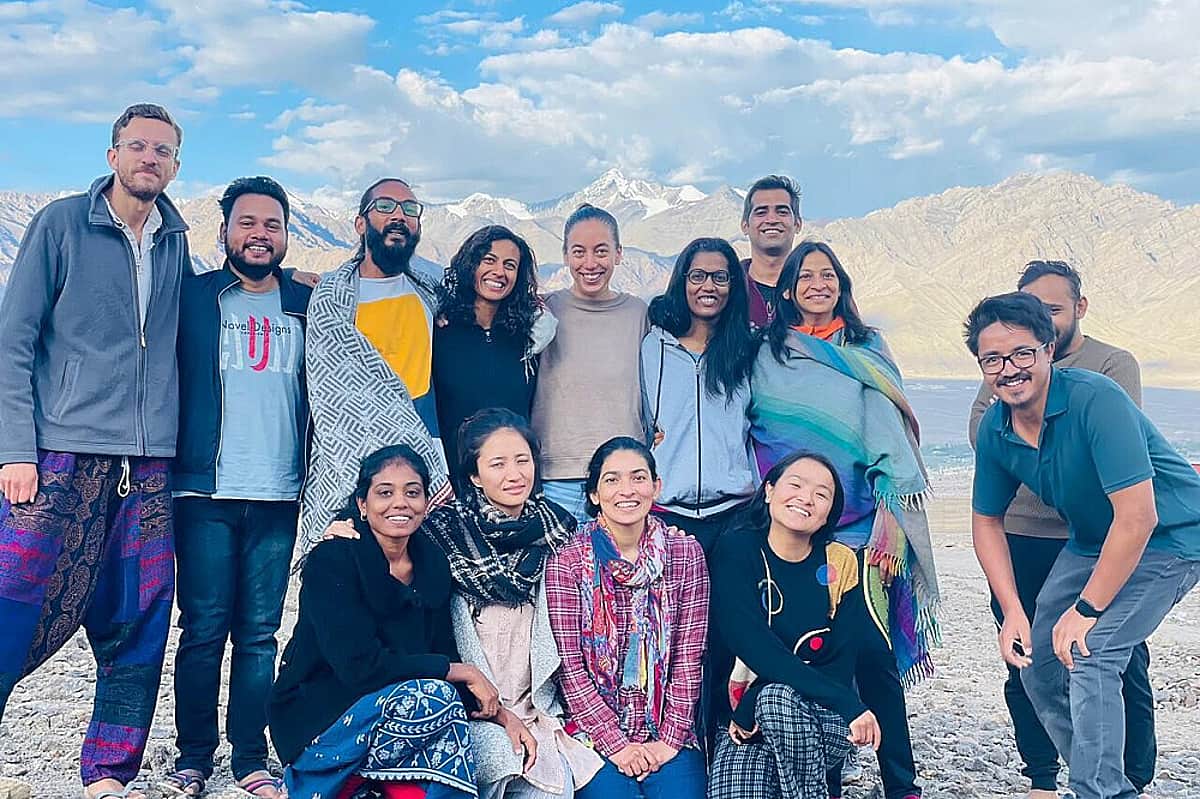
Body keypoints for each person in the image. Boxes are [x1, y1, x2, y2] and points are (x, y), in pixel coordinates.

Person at [0, 103, 190, 799]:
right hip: (58, 454)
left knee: (138, 622)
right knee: (10, 604)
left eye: (163, 150)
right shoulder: (61, 225)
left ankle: (108, 773)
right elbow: (13, 342)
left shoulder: (174, 240)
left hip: (146, 464)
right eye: (138, 146)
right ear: (113, 156)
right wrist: (14, 450)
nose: (150, 158)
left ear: (175, 165)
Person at [966, 292, 1200, 799]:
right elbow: (986, 521)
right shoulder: (996, 430)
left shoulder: (1096, 399)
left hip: (1171, 537)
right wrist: (1012, 611)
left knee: (1092, 650)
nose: (1009, 369)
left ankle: (1099, 790)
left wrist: (1087, 609)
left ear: (1049, 350)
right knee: (1037, 662)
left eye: (1022, 353)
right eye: (993, 359)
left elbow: (1138, 517)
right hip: (1093, 540)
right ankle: (1101, 781)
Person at [748, 241, 937, 799]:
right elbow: (759, 425)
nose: (817, 284)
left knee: (873, 655)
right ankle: (824, 777)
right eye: (805, 276)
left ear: (841, 284)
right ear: (786, 289)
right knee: (812, 650)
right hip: (789, 525)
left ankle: (901, 783)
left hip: (859, 527)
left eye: (827, 275)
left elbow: (889, 435)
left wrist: (890, 520)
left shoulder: (866, 347)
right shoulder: (767, 351)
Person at [160, 176, 312, 799]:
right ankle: (193, 756)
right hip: (204, 492)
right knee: (202, 629)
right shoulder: (193, 299)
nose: (259, 234)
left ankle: (251, 755)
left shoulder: (307, 303)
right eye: (247, 222)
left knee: (259, 634)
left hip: (280, 492)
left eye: (272, 224)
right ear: (224, 230)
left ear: (286, 235)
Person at [270, 444, 530, 799]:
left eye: (412, 492)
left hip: (401, 708)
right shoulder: (332, 560)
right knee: (435, 696)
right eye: (384, 493)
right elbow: (360, 667)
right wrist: (462, 671)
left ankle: (380, 788)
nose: (400, 503)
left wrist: (502, 715)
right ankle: (324, 782)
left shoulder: (431, 563)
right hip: (320, 714)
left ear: (426, 502)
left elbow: (439, 651)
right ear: (362, 504)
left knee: (466, 723)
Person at [708, 451, 889, 799]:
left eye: (821, 494)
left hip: (824, 714)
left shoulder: (840, 563)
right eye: (796, 485)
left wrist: (754, 696)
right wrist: (750, 704)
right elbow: (750, 642)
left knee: (776, 697)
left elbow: (840, 663)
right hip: (746, 726)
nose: (806, 498)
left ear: (829, 514)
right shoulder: (737, 549)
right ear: (769, 491)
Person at [545, 437, 709, 799]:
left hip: (668, 729)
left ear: (656, 486)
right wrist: (616, 745)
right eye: (612, 479)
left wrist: (669, 741)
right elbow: (569, 668)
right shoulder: (567, 561)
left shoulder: (685, 553)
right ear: (593, 494)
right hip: (591, 732)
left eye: (638, 477)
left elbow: (688, 657)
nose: (627, 490)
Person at [301, 177, 451, 549]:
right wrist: (286, 274)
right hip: (355, 462)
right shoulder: (331, 297)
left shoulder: (430, 293)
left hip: (426, 454)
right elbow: (329, 392)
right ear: (360, 223)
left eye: (410, 209)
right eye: (385, 206)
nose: (399, 216)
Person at [530, 205, 649, 522]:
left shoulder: (638, 313)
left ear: (619, 254)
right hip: (557, 477)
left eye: (601, 251)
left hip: (623, 477)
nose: (590, 263)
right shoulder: (545, 310)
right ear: (565, 256)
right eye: (579, 252)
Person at [641, 237, 758, 554]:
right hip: (665, 513)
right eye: (697, 276)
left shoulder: (748, 350)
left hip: (735, 515)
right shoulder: (652, 347)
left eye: (720, 277)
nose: (708, 286)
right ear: (683, 281)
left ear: (733, 286)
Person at [434, 227, 556, 483]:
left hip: (516, 480)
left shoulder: (528, 336)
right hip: (456, 478)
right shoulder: (440, 330)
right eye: (488, 260)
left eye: (509, 265)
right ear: (470, 264)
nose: (499, 272)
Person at [739, 176, 802, 330]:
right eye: (761, 212)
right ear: (745, 225)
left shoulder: (817, 289)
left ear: (798, 224)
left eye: (782, 212)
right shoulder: (729, 287)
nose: (772, 219)